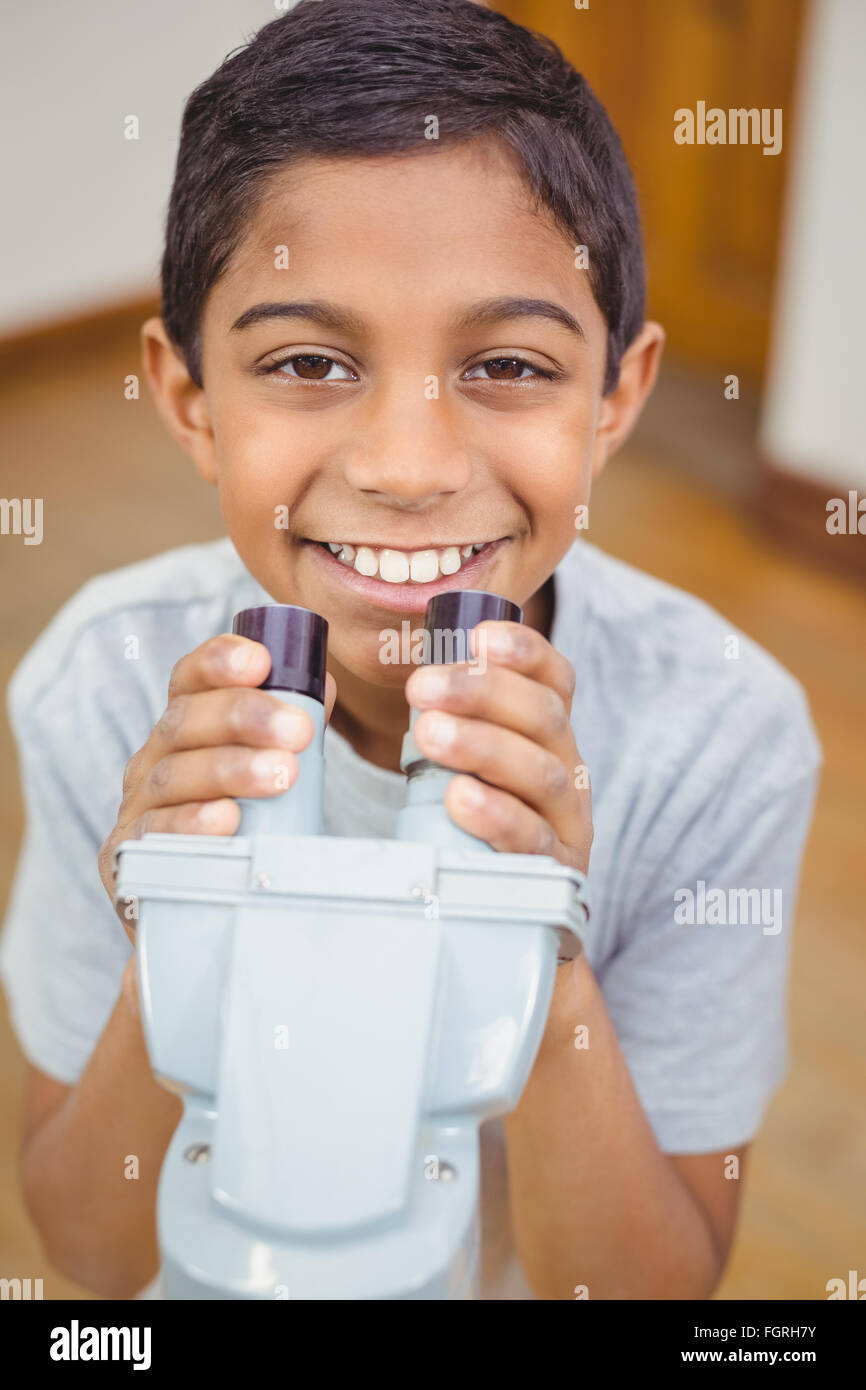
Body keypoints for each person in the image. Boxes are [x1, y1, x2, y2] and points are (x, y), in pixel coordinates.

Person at [0, 0, 820, 1300]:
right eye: (310, 361)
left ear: (614, 396)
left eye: (505, 362)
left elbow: (643, 1292)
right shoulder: (101, 684)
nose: (408, 469)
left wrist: (534, 929)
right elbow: (96, 1264)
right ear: (188, 397)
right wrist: (177, 929)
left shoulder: (719, 734)